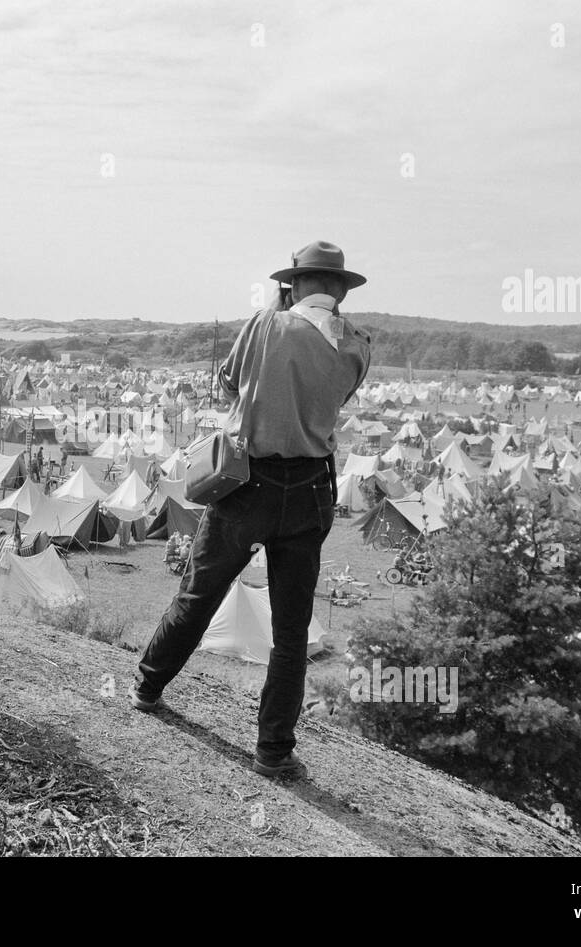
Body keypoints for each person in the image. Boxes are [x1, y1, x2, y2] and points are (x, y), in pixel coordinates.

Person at [132, 240, 371, 782]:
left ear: (292, 284)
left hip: (248, 484)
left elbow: (230, 384)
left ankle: (148, 686)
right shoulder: (358, 344)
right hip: (310, 489)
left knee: (199, 594)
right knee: (291, 633)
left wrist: (276, 314)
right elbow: (337, 395)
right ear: (340, 290)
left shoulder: (267, 324)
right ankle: (273, 750)